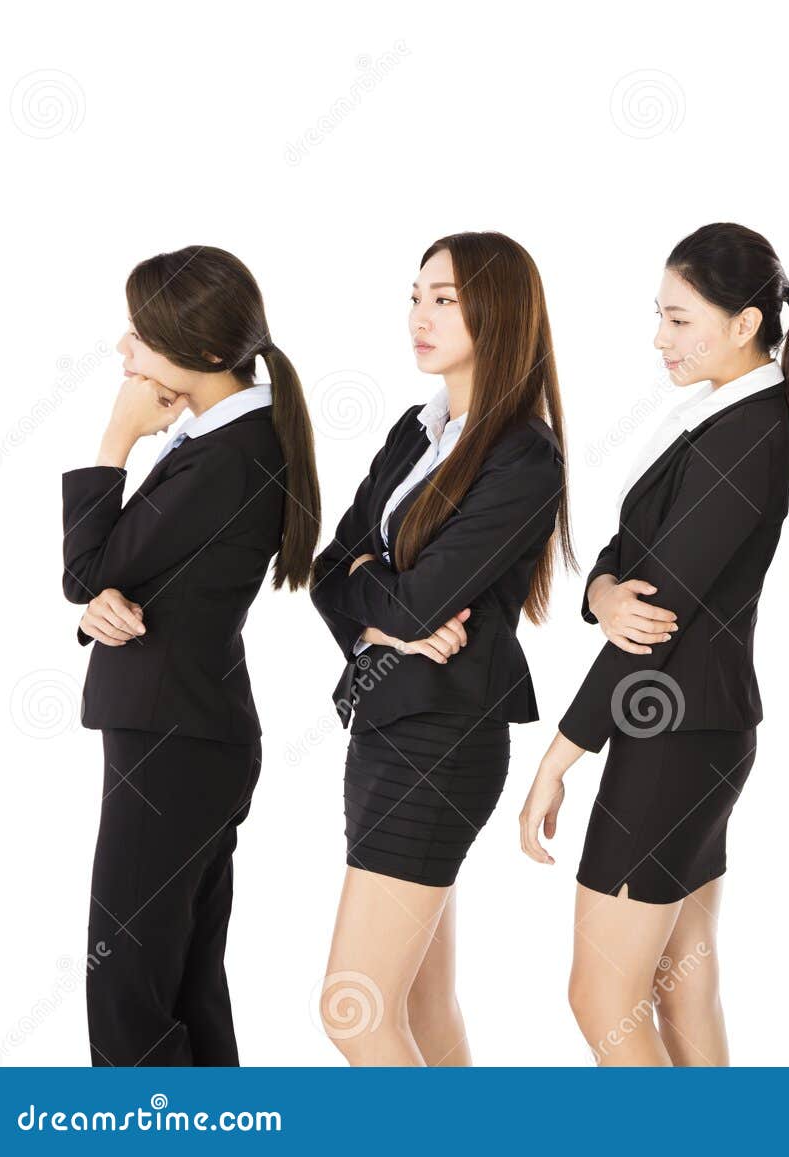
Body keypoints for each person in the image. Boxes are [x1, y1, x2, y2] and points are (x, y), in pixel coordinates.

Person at [520, 223, 789, 1066]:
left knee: (600, 997)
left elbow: (657, 619)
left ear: (746, 323)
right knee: (678, 988)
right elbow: (627, 557)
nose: (661, 338)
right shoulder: (721, 415)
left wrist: (560, 754)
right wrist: (600, 589)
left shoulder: (748, 431)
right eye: (659, 316)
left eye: (681, 319)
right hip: (692, 728)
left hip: (675, 731)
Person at [309, 232, 572, 1065]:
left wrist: (384, 592)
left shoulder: (524, 454)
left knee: (352, 1010)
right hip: (385, 723)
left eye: (445, 299)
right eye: (416, 295)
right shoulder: (412, 431)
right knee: (423, 1010)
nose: (420, 315)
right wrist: (382, 613)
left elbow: (423, 598)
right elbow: (325, 572)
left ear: (496, 314)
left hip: (442, 739)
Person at [62, 246, 321, 1065]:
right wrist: (100, 607)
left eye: (141, 335)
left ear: (205, 354)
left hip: (175, 739)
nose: (123, 352)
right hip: (184, 735)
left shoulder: (229, 453)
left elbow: (86, 567)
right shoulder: (227, 440)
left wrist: (116, 435)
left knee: (130, 988)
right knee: (180, 985)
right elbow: (126, 581)